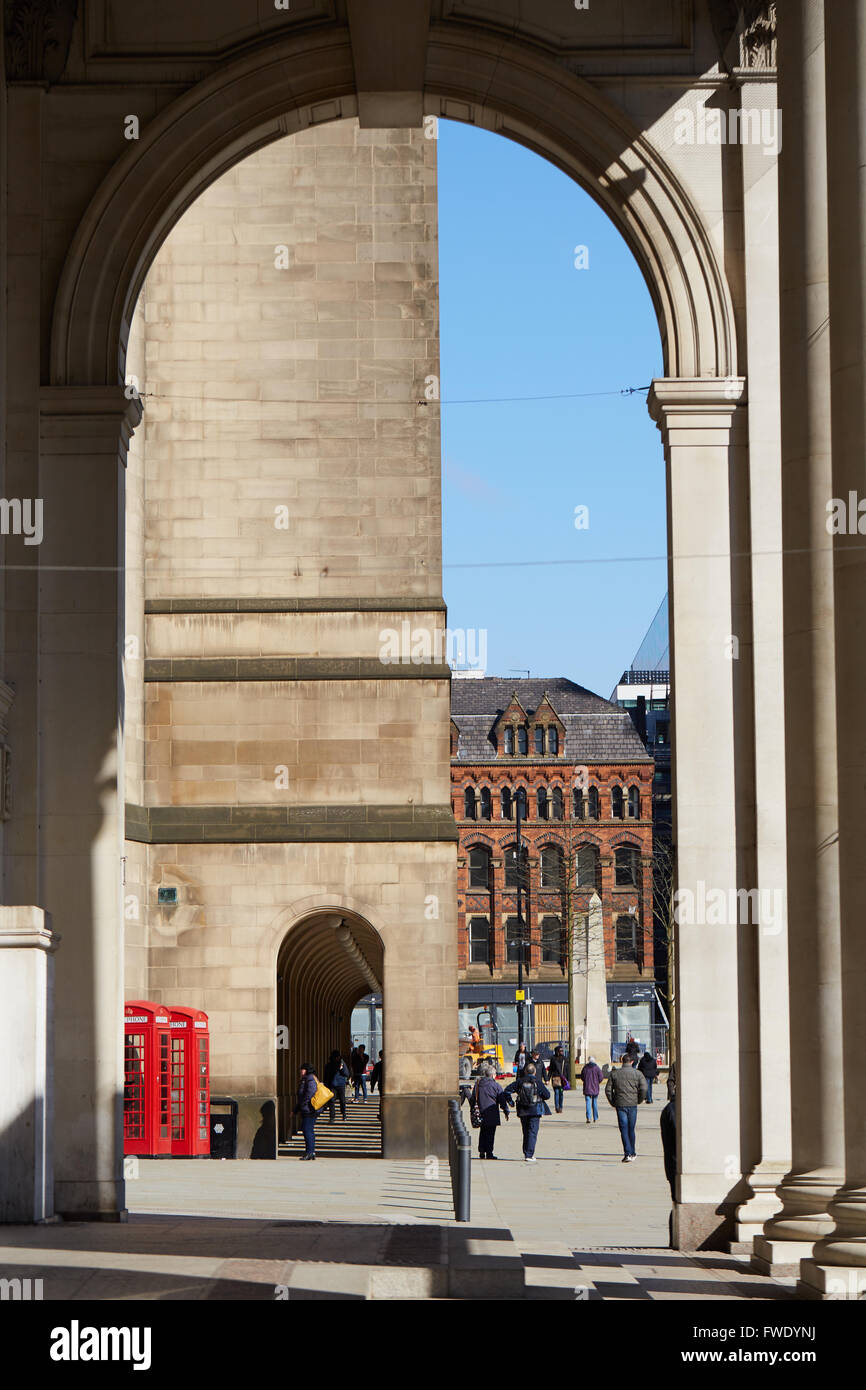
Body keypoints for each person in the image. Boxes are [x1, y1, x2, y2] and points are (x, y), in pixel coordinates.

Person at [605, 1052, 647, 1161]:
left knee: (623, 1129)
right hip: (632, 1104)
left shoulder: (615, 1074)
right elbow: (644, 1088)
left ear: (622, 1061)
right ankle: (632, 1152)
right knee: (631, 1129)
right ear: (632, 1062)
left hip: (620, 1104)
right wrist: (639, 1099)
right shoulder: (638, 1074)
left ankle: (627, 1153)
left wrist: (613, 1101)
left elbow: (608, 1090)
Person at [505, 1061, 551, 1162]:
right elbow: (547, 1095)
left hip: (523, 1110)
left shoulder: (520, 1081)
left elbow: (507, 1090)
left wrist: (510, 1102)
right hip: (535, 1110)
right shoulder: (538, 1082)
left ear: (525, 1071)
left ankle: (526, 1152)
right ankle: (529, 1154)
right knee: (532, 1132)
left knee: (525, 1132)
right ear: (534, 1072)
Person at [471, 1062, 511, 1159]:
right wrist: (506, 1111)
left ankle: (481, 1151)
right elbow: (501, 1099)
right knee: (490, 1134)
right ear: (493, 1075)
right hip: (492, 1112)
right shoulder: (496, 1086)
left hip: (480, 1111)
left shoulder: (478, 1084)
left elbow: (473, 1098)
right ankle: (489, 1152)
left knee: (483, 1132)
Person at [660, 1074, 677, 1248]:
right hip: (677, 1164)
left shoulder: (669, 1109)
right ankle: (675, 1240)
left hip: (672, 1164)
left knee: (676, 1201)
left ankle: (674, 1240)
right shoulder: (676, 1110)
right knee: (678, 1202)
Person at [294, 1062, 319, 1160]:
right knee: (308, 1130)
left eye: (302, 1069)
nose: (301, 1071)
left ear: (306, 1070)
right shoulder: (308, 1079)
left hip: (309, 1109)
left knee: (307, 1130)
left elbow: (310, 1093)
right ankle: (310, 1152)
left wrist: (304, 1103)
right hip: (307, 1108)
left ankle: (310, 1152)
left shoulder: (310, 1079)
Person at [323, 1049, 348, 1122]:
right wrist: (326, 1084)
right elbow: (326, 1075)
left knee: (342, 1101)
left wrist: (341, 1069)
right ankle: (332, 1116)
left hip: (340, 1085)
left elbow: (346, 1073)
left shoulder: (342, 1064)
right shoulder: (329, 1065)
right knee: (331, 1101)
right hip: (332, 1084)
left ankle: (344, 1114)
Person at [580, 1055, 603, 1124]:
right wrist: (597, 1082)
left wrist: (586, 1081)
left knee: (588, 1103)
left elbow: (582, 1077)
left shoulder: (585, 1068)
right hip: (595, 1087)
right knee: (594, 1103)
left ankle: (589, 1117)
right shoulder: (597, 1068)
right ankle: (595, 1118)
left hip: (587, 1087)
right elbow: (601, 1077)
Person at [547, 1045, 568, 1113]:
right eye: (560, 1051)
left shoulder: (564, 1058)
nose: (561, 1052)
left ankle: (561, 1107)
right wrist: (547, 1078)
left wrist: (567, 1079)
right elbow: (550, 1069)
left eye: (562, 1051)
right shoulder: (553, 1058)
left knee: (561, 1093)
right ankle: (557, 1107)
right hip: (555, 1078)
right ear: (557, 1051)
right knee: (556, 1092)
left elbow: (567, 1069)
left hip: (562, 1078)